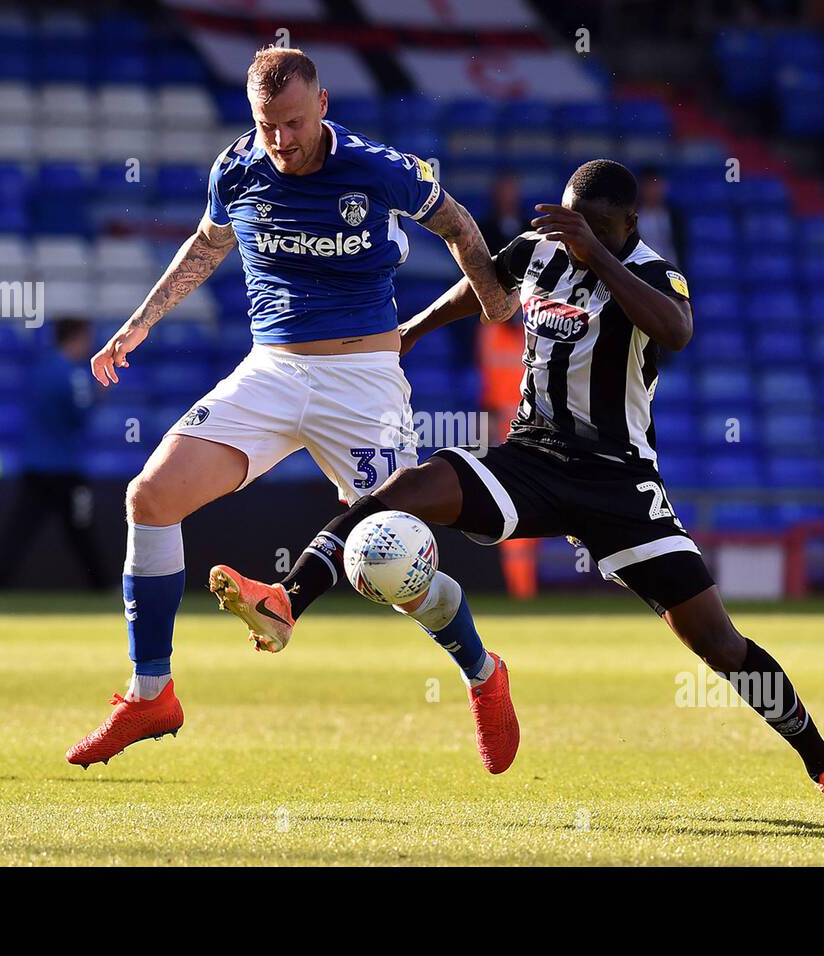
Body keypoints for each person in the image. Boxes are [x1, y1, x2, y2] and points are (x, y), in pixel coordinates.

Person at [210, 160, 824, 825]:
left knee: (719, 644)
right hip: (532, 458)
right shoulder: (540, 249)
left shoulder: (654, 273)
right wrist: (413, 330)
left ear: (626, 223)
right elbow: (486, 286)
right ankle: (287, 599)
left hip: (617, 480)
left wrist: (597, 256)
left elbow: (677, 330)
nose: (570, 237)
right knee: (404, 488)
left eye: (587, 227)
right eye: (567, 223)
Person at [65, 46, 516, 767]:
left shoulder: (378, 167)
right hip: (272, 371)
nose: (282, 140)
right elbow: (207, 247)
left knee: (398, 570)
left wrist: (495, 300)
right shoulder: (238, 167)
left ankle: (483, 675)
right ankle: (151, 694)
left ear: (324, 106)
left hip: (365, 378)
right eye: (268, 124)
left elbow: (458, 224)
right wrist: (141, 321)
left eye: (295, 123)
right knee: (149, 498)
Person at [0, 317, 107, 590]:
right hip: (65, 468)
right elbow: (80, 416)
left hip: (35, 464)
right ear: (77, 337)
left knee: (21, 529)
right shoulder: (75, 374)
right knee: (80, 528)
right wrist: (99, 395)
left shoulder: (39, 369)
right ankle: (100, 584)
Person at [635, 165, 678, 265]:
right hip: (640, 269)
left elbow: (680, 246)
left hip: (669, 268)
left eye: (657, 186)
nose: (654, 191)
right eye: (650, 186)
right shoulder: (633, 215)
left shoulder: (673, 215)